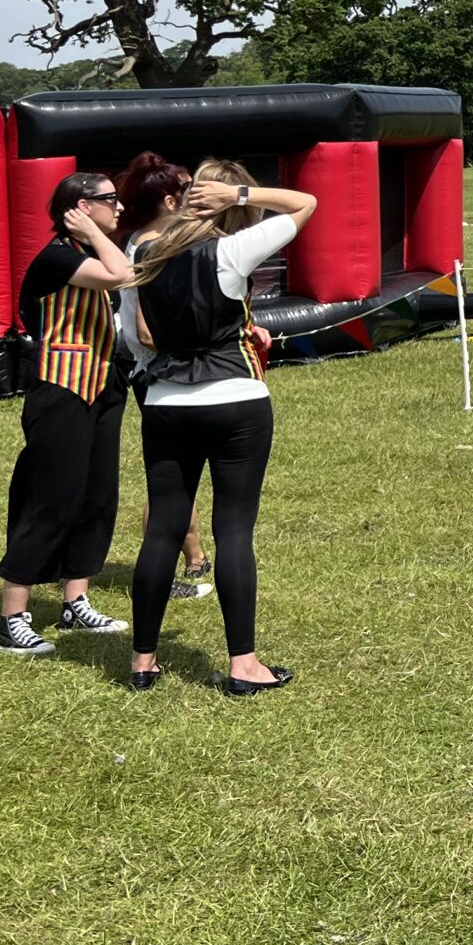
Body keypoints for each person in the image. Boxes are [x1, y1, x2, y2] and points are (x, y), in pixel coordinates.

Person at [124, 160, 315, 694]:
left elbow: (145, 331)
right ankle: (244, 665)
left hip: (166, 399)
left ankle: (142, 661)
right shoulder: (233, 249)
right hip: (235, 398)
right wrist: (242, 195)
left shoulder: (145, 250)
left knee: (162, 529)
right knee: (233, 530)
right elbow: (305, 203)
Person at [0, 172, 136, 655]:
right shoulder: (57, 256)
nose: (120, 208)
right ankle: (12, 616)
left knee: (97, 497)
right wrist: (92, 231)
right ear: (81, 207)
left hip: (103, 386)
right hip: (61, 387)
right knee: (49, 498)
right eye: (110, 199)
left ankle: (76, 601)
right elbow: (122, 275)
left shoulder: (93, 252)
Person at [114, 153, 212, 602]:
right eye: (189, 191)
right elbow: (145, 331)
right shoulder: (151, 248)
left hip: (160, 371)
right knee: (170, 480)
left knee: (179, 474)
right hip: (158, 372)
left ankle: (193, 554)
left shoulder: (151, 239)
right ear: (170, 202)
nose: (198, 197)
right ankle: (163, 571)